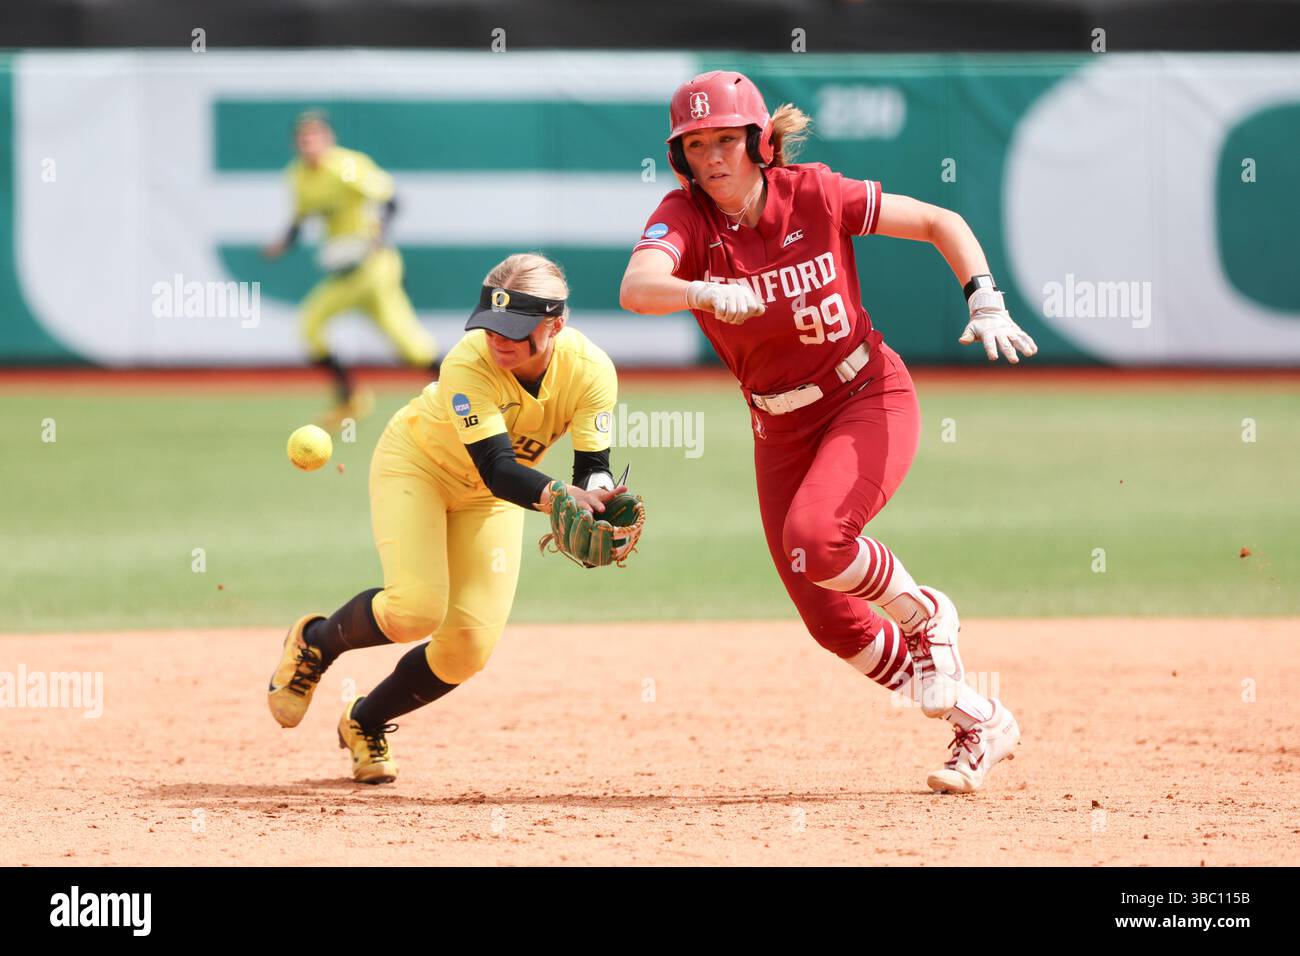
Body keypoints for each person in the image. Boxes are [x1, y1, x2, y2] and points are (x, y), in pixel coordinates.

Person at [620, 71, 1038, 794]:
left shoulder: (812, 192)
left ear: (761, 143)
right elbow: (637, 287)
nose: (712, 156)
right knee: (832, 620)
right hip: (778, 427)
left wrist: (986, 299)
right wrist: (701, 288)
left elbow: (941, 221)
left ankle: (925, 611)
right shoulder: (685, 217)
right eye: (695, 144)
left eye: (726, 139)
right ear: (680, 156)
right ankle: (979, 719)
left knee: (819, 540)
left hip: (864, 393)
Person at [267, 253, 626, 784]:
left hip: (489, 500)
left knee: (467, 649)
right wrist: (561, 499)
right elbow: (500, 469)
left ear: (556, 324)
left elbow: (593, 467)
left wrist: (600, 504)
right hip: (419, 467)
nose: (498, 339)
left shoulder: (592, 370)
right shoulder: (466, 363)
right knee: (415, 610)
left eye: (516, 328)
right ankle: (315, 642)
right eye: (490, 325)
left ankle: (364, 721)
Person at [263, 110, 439, 429]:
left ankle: (461, 395)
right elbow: (301, 218)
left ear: (328, 139)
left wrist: (377, 237)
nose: (309, 144)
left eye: (315, 136)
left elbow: (392, 200)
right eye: (303, 138)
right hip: (344, 274)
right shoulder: (298, 176)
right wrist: (283, 243)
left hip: (374, 269)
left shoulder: (347, 166)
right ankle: (350, 398)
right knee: (312, 327)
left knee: (411, 345)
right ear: (296, 144)